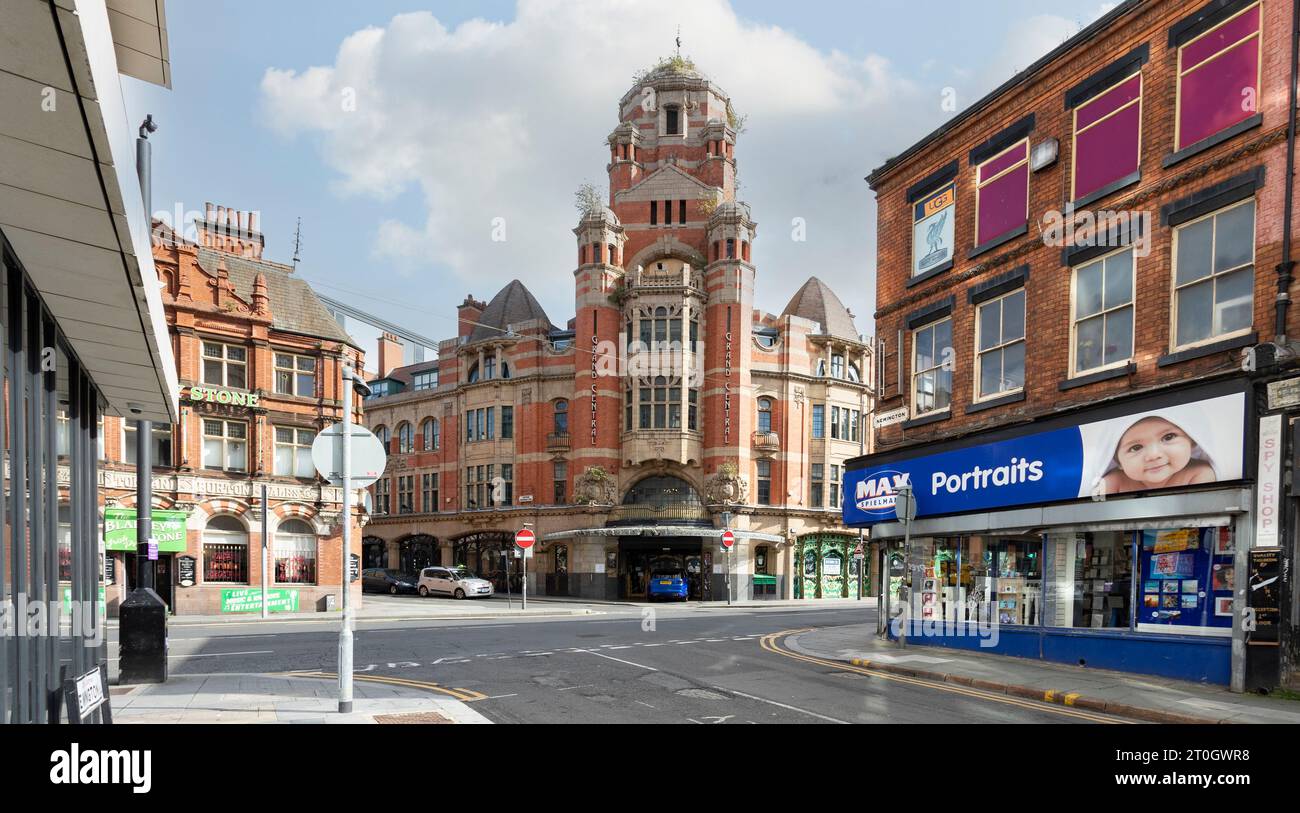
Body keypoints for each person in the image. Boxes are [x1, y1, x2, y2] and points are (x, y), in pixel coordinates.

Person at [1101, 416, 1216, 494]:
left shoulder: (1199, 473)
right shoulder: (1113, 482)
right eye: (1136, 448)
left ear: (1192, 440)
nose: (1153, 455)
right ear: (1118, 461)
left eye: (1168, 437)